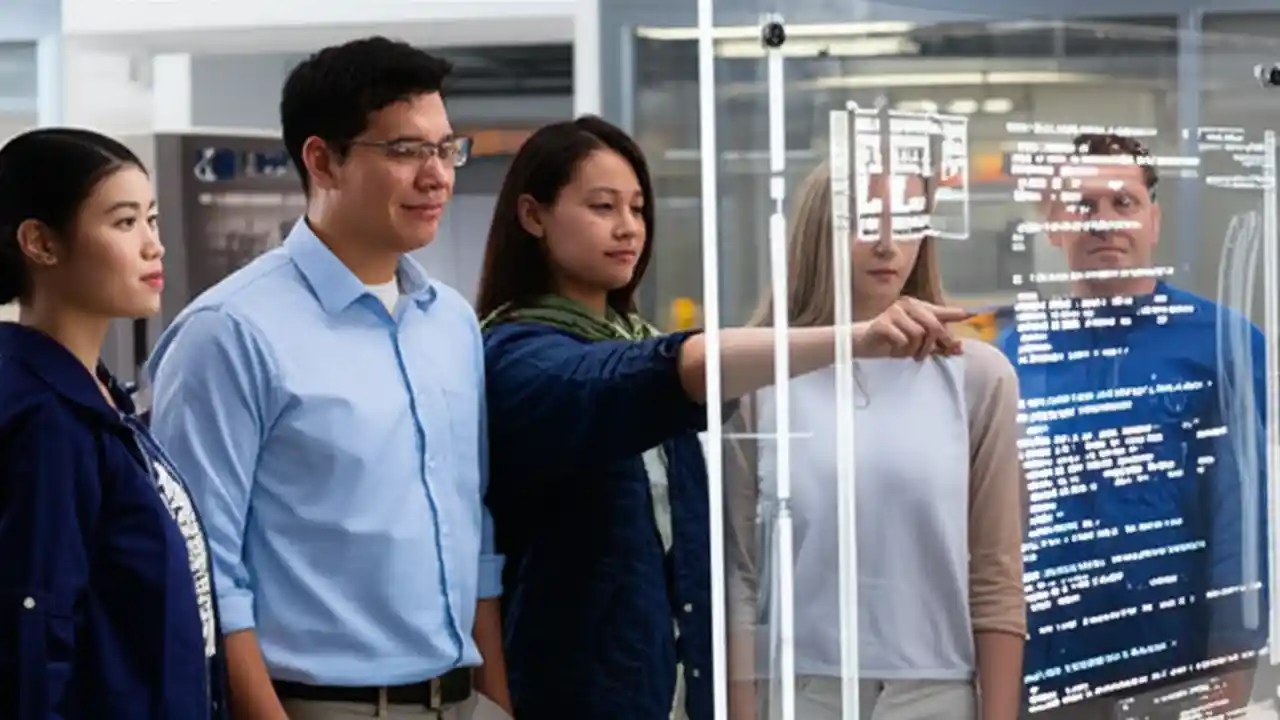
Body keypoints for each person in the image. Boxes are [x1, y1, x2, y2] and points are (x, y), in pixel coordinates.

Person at [474, 115, 972, 719]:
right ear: (533, 216)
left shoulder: (633, 338)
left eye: (638, 208)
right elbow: (636, 378)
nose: (628, 227)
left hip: (676, 689)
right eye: (603, 206)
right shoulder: (519, 359)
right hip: (576, 695)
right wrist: (855, 338)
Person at [146, 37, 510, 720]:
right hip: (322, 704)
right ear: (322, 160)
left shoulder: (451, 321)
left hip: (464, 697)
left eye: (445, 149)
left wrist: (496, 697)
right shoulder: (229, 332)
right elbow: (203, 570)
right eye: (406, 150)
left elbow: (475, 525)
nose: (437, 176)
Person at [725, 161, 1026, 720]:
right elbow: (737, 573)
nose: (888, 243)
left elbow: (997, 570)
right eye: (865, 220)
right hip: (798, 691)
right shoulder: (760, 380)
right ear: (821, 230)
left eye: (906, 221)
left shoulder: (978, 377)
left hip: (936, 693)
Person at [997, 133, 1268, 717]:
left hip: (1176, 675)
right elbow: (999, 530)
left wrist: (1230, 680)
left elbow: (1244, 523)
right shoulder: (1016, 354)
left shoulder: (1222, 344)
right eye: (1083, 205)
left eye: (1123, 203)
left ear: (1153, 221)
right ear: (1054, 226)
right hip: (1046, 672)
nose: (1104, 222)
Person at [0, 128, 228, 719]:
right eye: (125, 223)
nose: (154, 246)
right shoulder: (46, 418)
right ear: (41, 243)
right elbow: (35, 636)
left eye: (151, 220)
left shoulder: (102, 398)